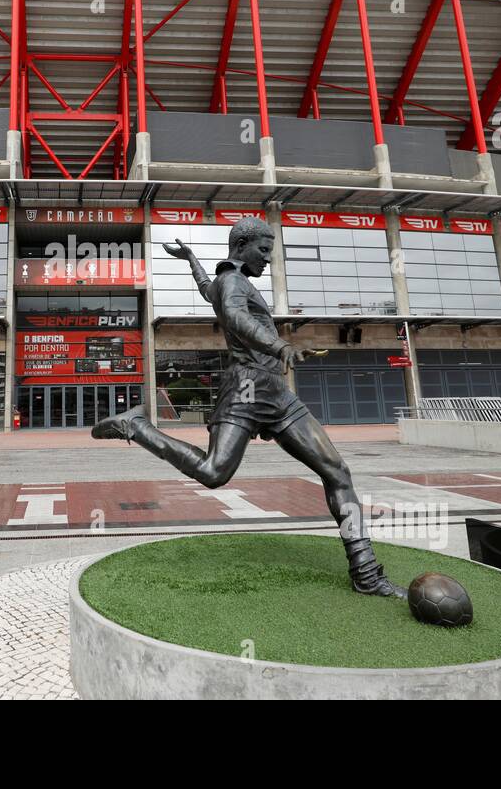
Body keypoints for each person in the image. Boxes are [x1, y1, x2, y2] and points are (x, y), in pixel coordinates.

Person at [91, 216, 406, 598]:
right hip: (246, 388)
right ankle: (137, 427)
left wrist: (191, 258)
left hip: (276, 393)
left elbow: (207, 290)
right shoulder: (233, 282)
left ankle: (366, 573)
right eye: (264, 249)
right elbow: (236, 317)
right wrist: (279, 345)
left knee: (337, 471)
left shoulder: (228, 282)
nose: (268, 259)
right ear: (242, 246)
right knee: (213, 472)